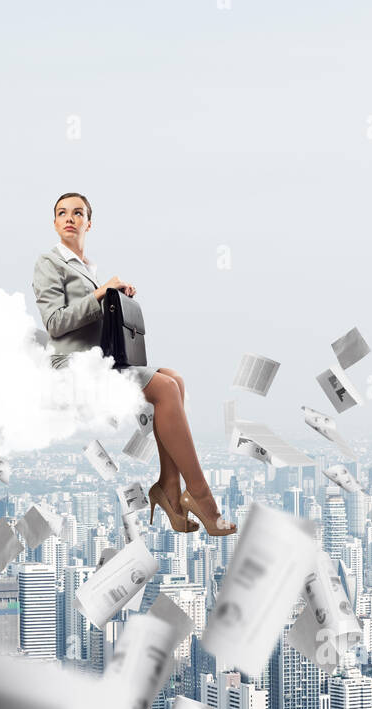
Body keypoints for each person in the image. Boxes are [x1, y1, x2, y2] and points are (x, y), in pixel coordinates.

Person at [31, 192, 235, 536]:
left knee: (175, 379)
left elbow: (92, 316)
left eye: (77, 213)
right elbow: (55, 323)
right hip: (71, 368)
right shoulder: (49, 263)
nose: (70, 218)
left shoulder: (85, 268)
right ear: (54, 223)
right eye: (62, 213)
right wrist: (100, 295)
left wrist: (114, 298)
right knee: (166, 389)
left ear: (88, 223)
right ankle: (200, 496)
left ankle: (169, 489)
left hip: (98, 362)